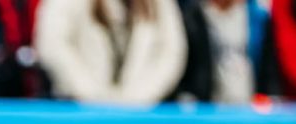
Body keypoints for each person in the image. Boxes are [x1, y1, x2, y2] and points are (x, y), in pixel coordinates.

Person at [34, 0, 187, 106]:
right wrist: (92, 95)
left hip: (141, 116)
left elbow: (172, 52)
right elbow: (53, 44)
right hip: (79, 111)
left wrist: (138, 98)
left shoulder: (159, 4)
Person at [173, 0, 281, 104]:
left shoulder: (258, 18)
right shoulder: (192, 17)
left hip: (249, 107)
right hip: (209, 107)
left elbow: (269, 71)